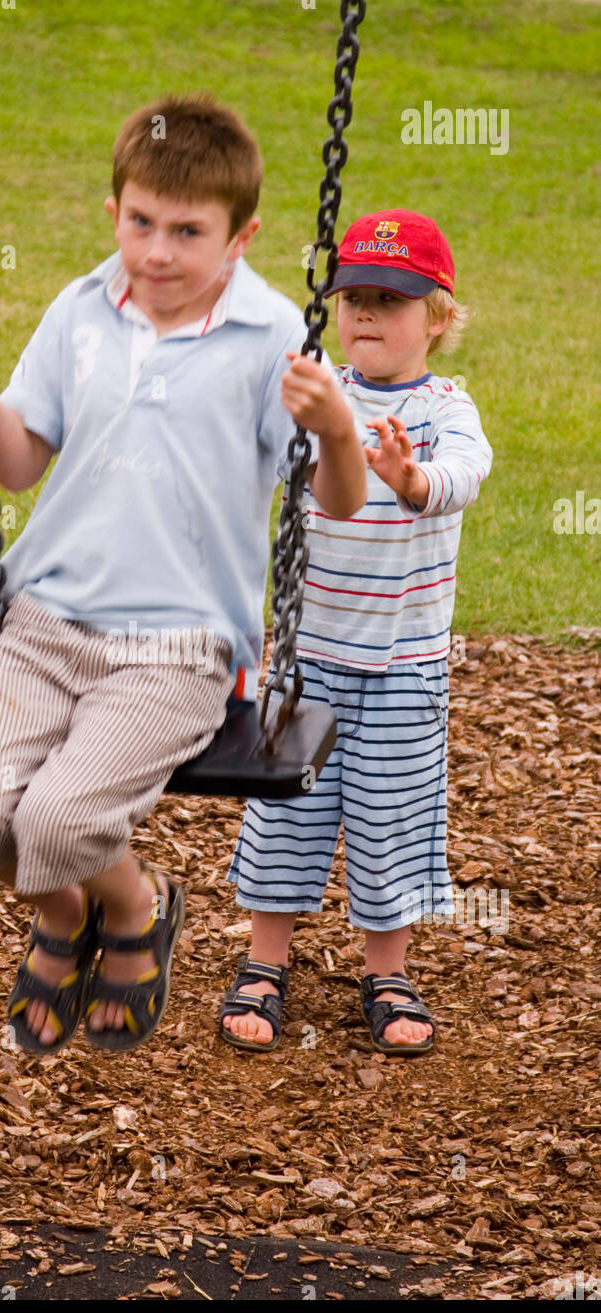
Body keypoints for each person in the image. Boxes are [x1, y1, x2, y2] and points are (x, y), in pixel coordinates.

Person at [0, 94, 366, 1055]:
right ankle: (84, 910)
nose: (158, 252)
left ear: (240, 236)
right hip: (46, 622)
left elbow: (333, 501)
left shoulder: (273, 338)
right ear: (114, 210)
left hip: (177, 645)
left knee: (59, 816)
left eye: (188, 231)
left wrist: (332, 425)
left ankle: (126, 910)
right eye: (140, 223)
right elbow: (19, 463)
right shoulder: (79, 312)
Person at [220, 209, 493, 1056]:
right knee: (286, 817)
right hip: (309, 659)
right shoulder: (318, 396)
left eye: (391, 299)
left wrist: (408, 477)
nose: (367, 314)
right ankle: (265, 964)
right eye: (354, 299)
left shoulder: (446, 407)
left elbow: (460, 476)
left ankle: (386, 970)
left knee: (392, 821)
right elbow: (253, 459)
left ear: (438, 318)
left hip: (405, 667)